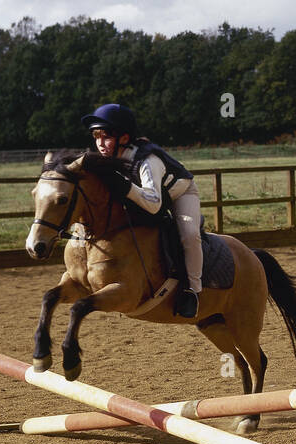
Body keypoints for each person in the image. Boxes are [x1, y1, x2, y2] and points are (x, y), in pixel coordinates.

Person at [79, 103, 203, 318]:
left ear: (124, 138)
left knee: (190, 235)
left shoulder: (148, 161)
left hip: (180, 193)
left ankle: (193, 290)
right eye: (96, 136)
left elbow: (153, 204)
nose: (100, 143)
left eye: (106, 136)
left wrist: (125, 187)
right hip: (150, 197)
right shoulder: (108, 157)